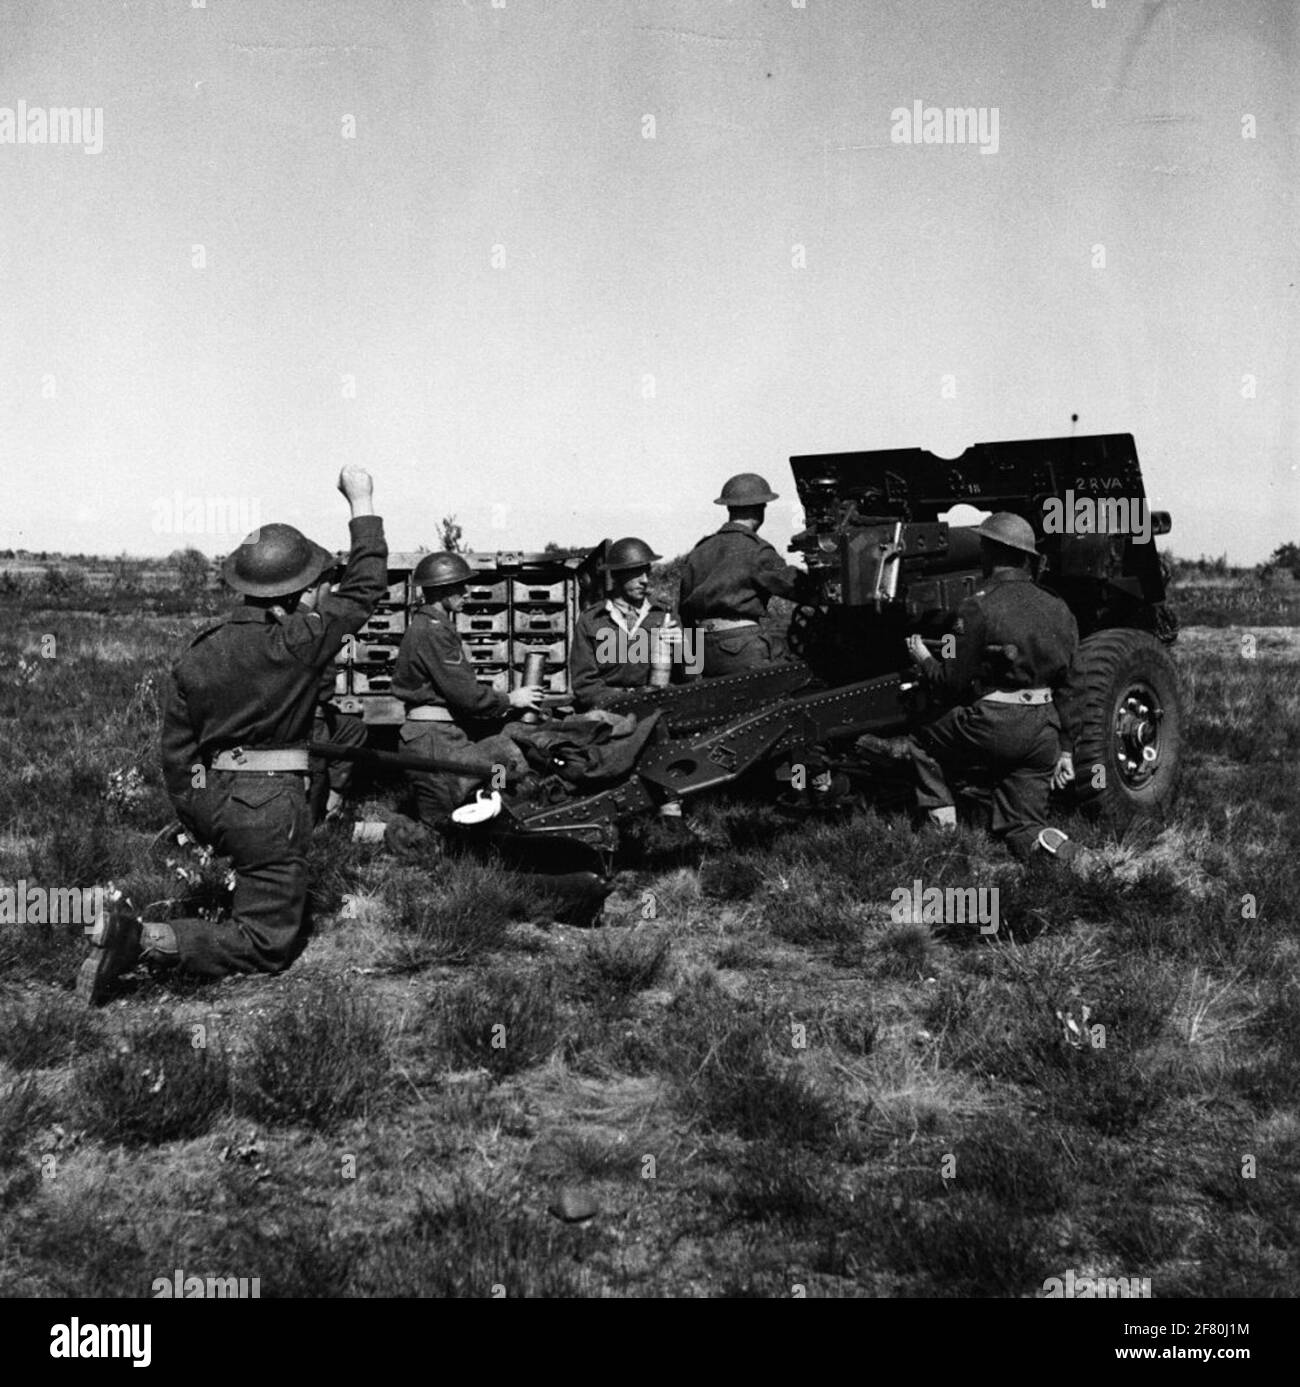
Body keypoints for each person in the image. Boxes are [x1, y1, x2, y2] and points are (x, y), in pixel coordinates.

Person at [78, 465, 387, 1003]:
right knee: (268, 944)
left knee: (258, 883)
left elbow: (177, 755)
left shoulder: (198, 653)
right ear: (287, 598)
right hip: (273, 807)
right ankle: (144, 940)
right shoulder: (298, 639)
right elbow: (364, 588)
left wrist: (206, 820)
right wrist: (361, 501)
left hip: (219, 804)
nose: (319, 597)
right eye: (313, 588)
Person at [867, 512, 1086, 864]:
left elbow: (950, 681)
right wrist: (1065, 750)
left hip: (996, 727)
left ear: (990, 552)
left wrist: (923, 656)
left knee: (923, 731)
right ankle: (1062, 853)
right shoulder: (1059, 608)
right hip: (1043, 733)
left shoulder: (977, 606)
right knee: (1021, 826)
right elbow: (1071, 687)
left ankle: (944, 832)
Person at [390, 551, 540, 825]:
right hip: (435, 743)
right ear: (443, 590)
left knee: (495, 772)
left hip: (433, 739)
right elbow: (467, 696)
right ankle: (514, 815)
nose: (467, 592)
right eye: (460, 586)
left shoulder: (427, 626)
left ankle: (495, 802)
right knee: (503, 756)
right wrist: (511, 699)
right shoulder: (434, 630)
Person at [676, 472, 813, 676]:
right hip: (741, 647)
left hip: (703, 649)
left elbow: (683, 612)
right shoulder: (757, 550)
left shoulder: (699, 551)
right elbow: (800, 589)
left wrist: (691, 665)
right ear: (760, 509)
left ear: (730, 507)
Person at [569, 536, 680, 709]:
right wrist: (626, 700)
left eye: (647, 572)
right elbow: (584, 685)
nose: (644, 580)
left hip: (657, 707)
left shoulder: (665, 614)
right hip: (608, 710)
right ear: (616, 575)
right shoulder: (590, 620)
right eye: (636, 572)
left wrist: (684, 647)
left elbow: (692, 675)